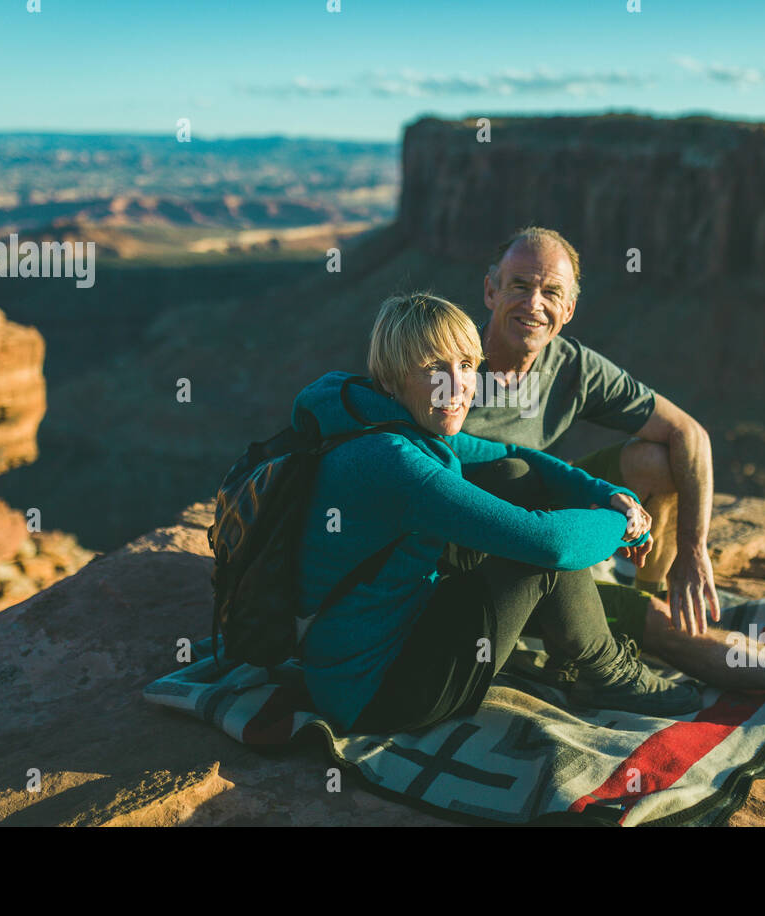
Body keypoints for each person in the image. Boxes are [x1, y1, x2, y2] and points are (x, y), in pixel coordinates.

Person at [458, 227, 765, 710]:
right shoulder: (450, 370)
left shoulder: (571, 366)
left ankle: (653, 585)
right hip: (500, 558)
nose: (534, 303)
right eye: (519, 286)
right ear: (490, 290)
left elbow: (690, 434)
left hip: (550, 519)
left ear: (569, 310)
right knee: (666, 626)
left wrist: (693, 550)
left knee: (661, 459)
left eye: (551, 291)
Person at [293, 292, 715, 735]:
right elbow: (549, 545)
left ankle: (568, 650)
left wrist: (606, 493)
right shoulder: (395, 462)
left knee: (511, 474)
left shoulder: (377, 415)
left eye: (466, 366)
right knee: (538, 554)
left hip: (381, 638)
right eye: (434, 369)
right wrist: (623, 526)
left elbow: (517, 455)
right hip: (377, 692)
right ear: (392, 380)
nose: (457, 388)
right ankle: (609, 676)